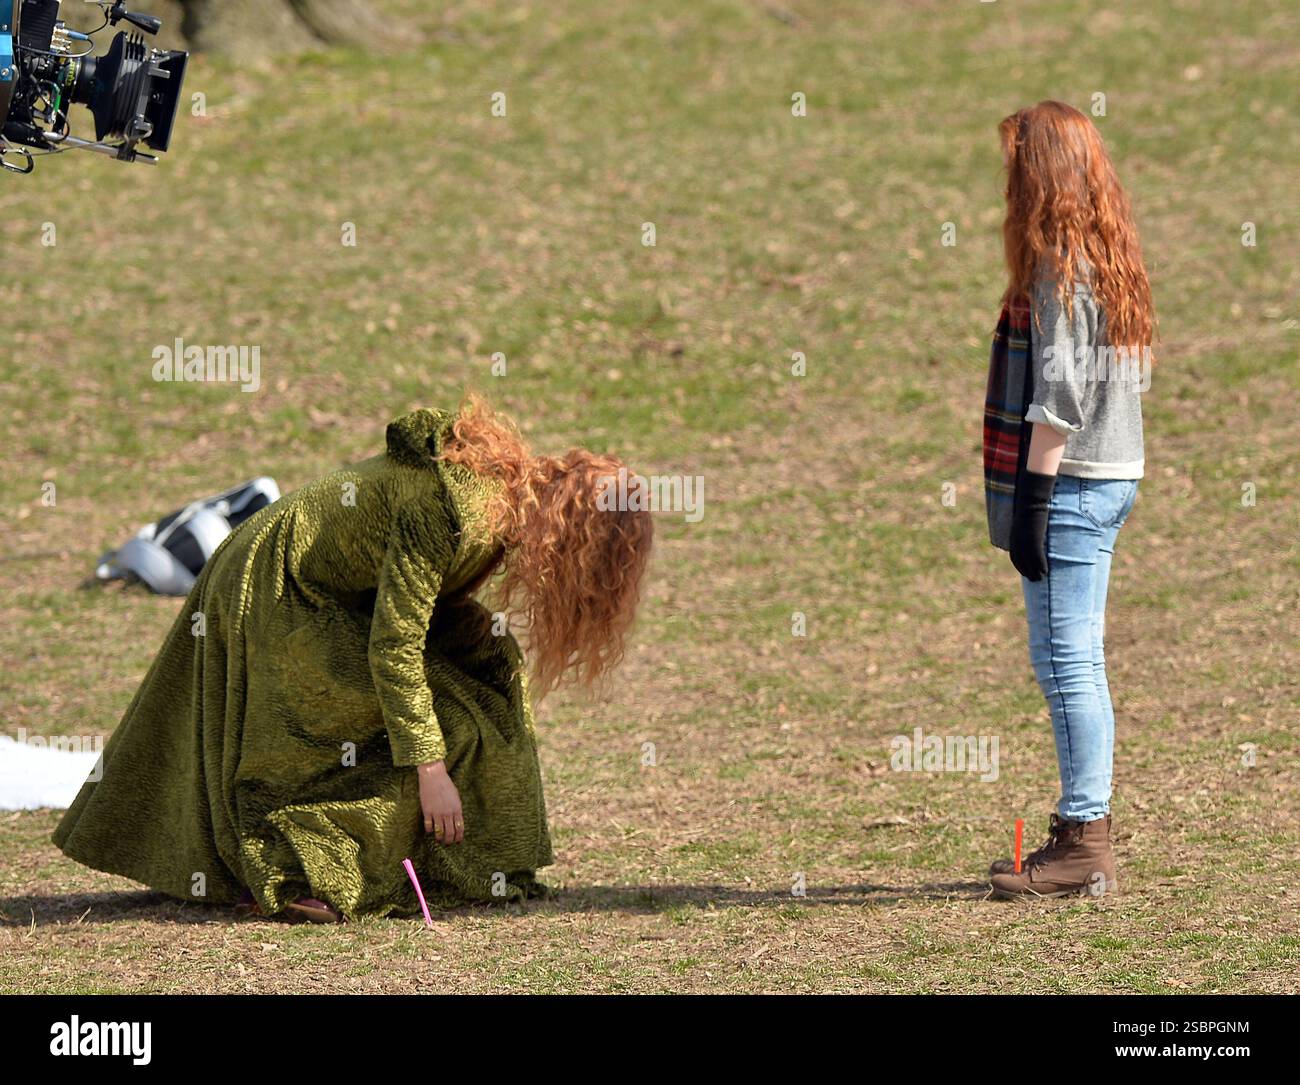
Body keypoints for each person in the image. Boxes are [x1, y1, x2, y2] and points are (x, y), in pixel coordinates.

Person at [54, 397, 653, 921]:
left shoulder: (505, 512)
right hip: (277, 585)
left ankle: (473, 865)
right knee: (383, 724)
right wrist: (430, 771)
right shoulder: (454, 510)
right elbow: (395, 646)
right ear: (573, 543)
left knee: (484, 686)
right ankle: (301, 870)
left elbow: (420, 606)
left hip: (343, 596)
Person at [982, 101, 1155, 899]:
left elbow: (1055, 394)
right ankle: (1080, 832)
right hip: (1111, 476)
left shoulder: (1059, 265)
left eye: (1014, 166)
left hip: (1074, 486)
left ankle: (1085, 839)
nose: (1005, 185)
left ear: (1038, 174)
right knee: (1073, 655)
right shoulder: (1108, 254)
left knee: (1066, 661)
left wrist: (1032, 503)